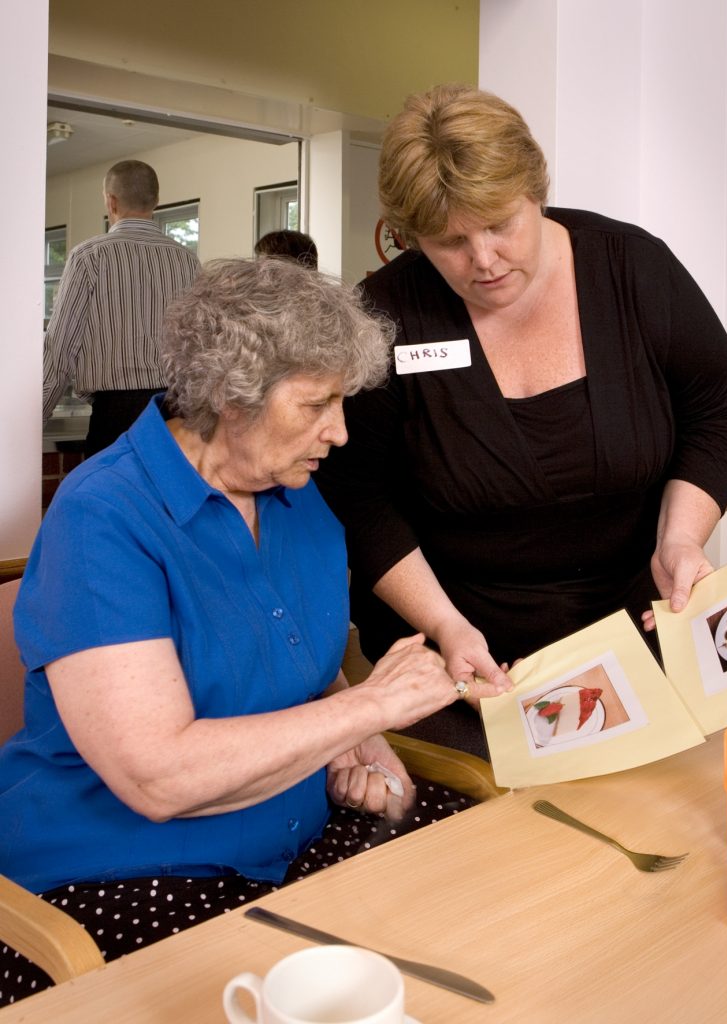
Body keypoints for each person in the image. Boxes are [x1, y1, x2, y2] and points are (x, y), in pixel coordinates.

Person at [0, 257, 509, 1006]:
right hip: (121, 870)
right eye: (316, 405)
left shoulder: (298, 499)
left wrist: (359, 748)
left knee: (488, 898)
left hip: (293, 838)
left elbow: (303, 664)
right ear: (230, 400)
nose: (338, 432)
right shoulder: (102, 516)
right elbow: (158, 777)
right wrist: (370, 708)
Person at [315, 84, 727, 756]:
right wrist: (445, 626)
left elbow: (715, 418)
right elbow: (359, 499)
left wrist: (681, 540)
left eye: (499, 224)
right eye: (448, 242)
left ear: (535, 191)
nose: (482, 260)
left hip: (635, 644)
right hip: (466, 668)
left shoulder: (632, 269)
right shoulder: (387, 313)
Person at [42, 159, 200, 456]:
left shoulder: (89, 257)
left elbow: (60, 348)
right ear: (155, 201)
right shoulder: (187, 260)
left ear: (111, 202)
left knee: (112, 500)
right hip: (177, 413)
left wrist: (36, 417)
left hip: (116, 416)